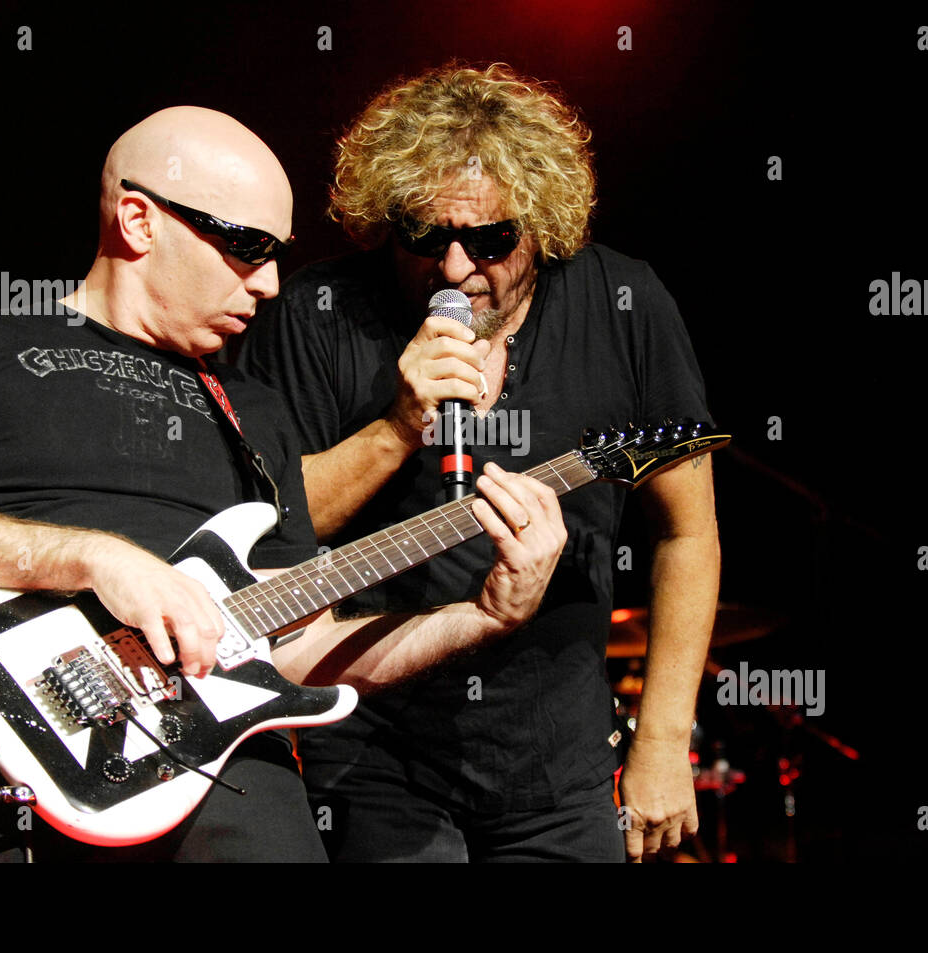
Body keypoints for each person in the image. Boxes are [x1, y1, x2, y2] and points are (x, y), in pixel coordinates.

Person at [0, 105, 567, 862]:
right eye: (246, 246)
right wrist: (102, 560)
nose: (267, 284)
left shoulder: (255, 409)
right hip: (45, 769)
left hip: (238, 794)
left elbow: (302, 648)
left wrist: (485, 615)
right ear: (138, 219)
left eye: (277, 255)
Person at [239, 63, 720, 862]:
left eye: (491, 239)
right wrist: (398, 425)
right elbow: (269, 544)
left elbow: (687, 534)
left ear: (544, 222)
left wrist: (664, 739)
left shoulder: (623, 304)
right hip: (371, 749)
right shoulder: (320, 316)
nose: (456, 268)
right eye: (427, 237)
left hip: (556, 762)